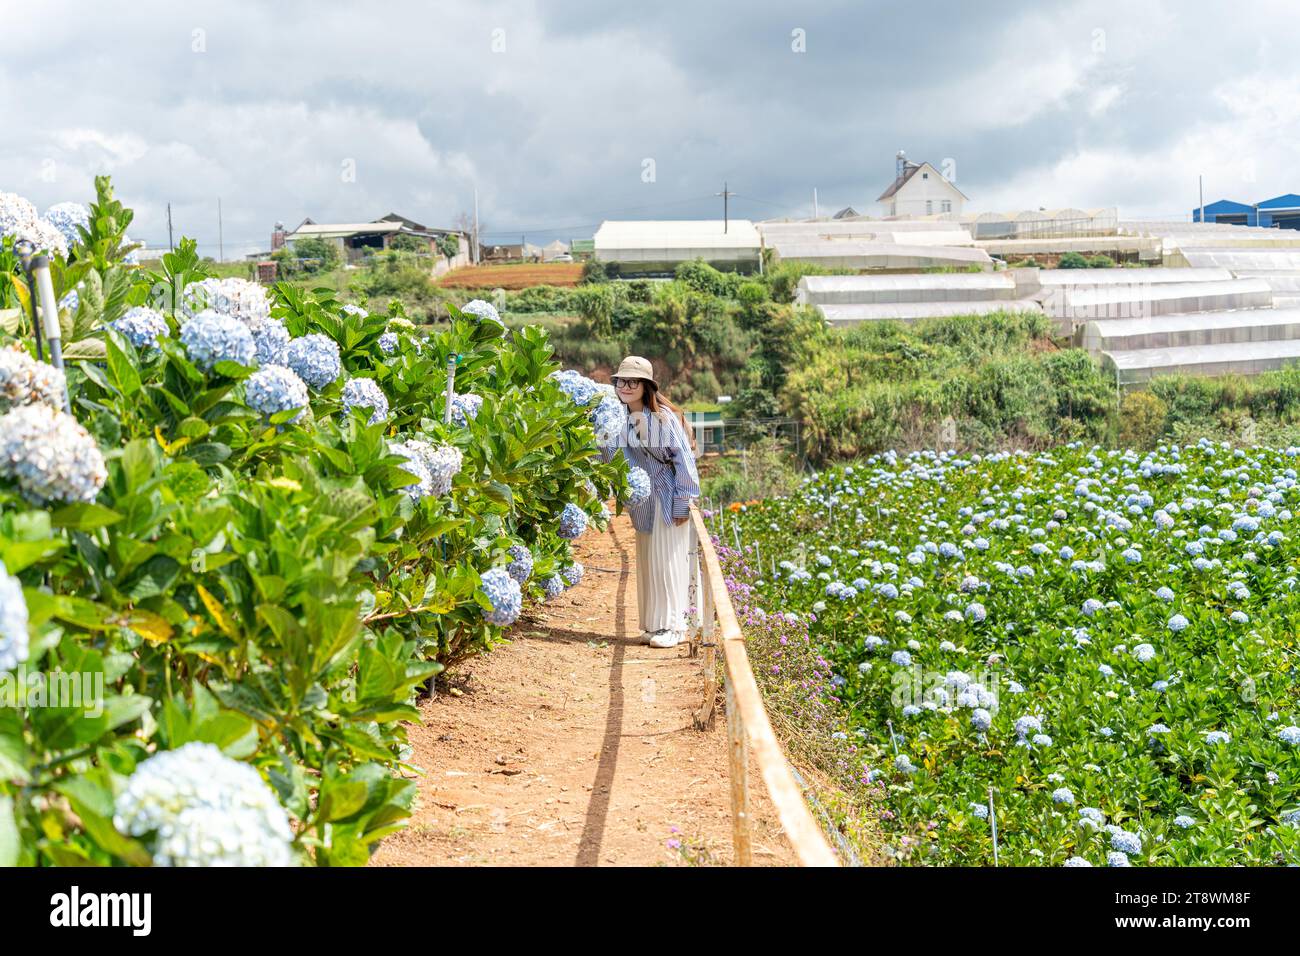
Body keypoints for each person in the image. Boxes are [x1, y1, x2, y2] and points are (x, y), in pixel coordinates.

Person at [609, 355, 701, 648]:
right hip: (644, 502)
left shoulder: (663, 417)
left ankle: (674, 626)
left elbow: (685, 461)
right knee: (650, 561)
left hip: (667, 495)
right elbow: (613, 461)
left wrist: (682, 502)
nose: (626, 386)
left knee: (669, 562)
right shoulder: (620, 420)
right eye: (621, 381)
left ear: (646, 386)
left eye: (633, 381)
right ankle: (653, 624)